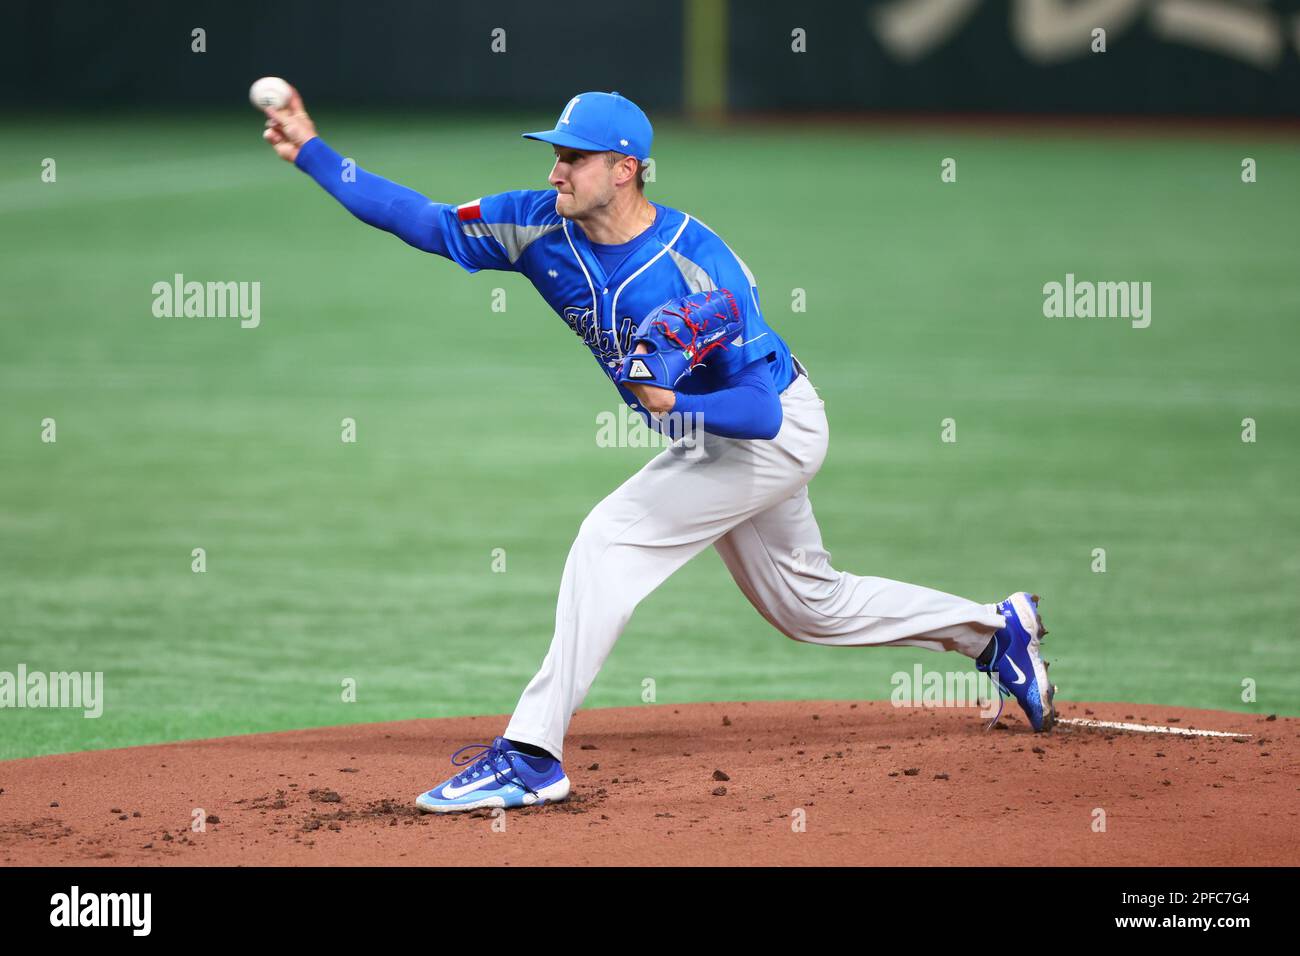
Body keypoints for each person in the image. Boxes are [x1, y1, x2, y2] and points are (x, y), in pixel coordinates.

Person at [261, 88, 1057, 814]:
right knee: (808, 607)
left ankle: (532, 755)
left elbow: (759, 411)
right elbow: (424, 221)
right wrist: (314, 151)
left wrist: (674, 402)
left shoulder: (695, 260)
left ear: (626, 170)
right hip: (716, 436)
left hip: (770, 425)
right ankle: (992, 633)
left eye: (574, 156)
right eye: (556, 151)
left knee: (611, 537)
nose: (556, 167)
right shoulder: (537, 223)